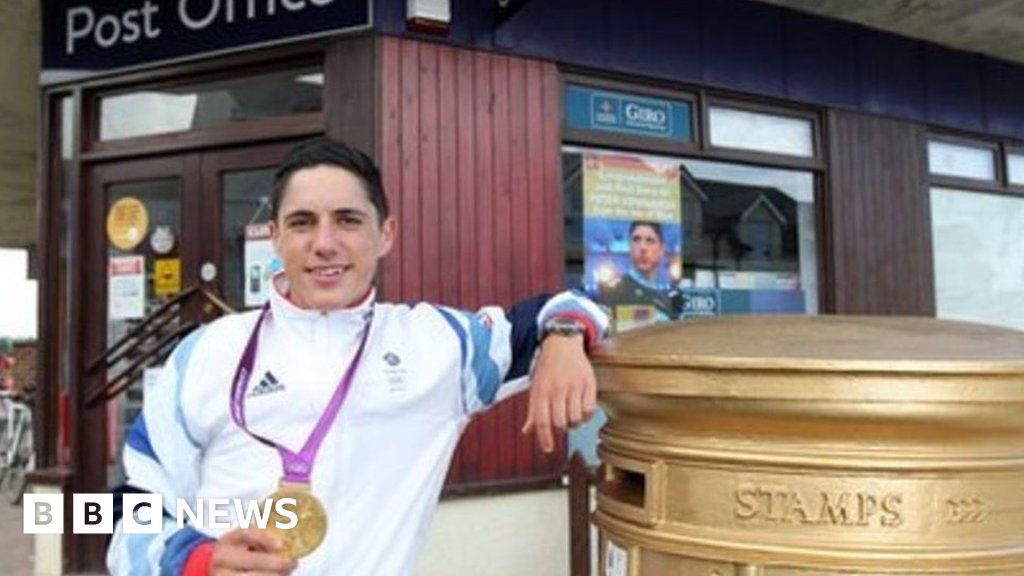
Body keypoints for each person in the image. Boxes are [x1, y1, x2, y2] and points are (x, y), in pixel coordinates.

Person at [106, 138, 608, 576]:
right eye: (302, 223)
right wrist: (194, 561)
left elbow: (563, 307)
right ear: (276, 238)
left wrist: (564, 335)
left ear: (385, 234)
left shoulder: (438, 345)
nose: (324, 243)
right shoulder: (207, 352)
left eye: (347, 220)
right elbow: (120, 510)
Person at [597, 220, 683, 326]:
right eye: (636, 239)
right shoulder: (615, 292)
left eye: (650, 241)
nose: (643, 247)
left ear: (661, 249)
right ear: (629, 245)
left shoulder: (665, 300)